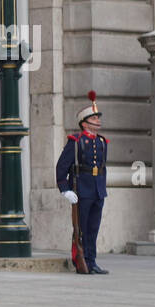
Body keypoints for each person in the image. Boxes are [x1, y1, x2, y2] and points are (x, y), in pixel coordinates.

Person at [57, 90, 109, 275]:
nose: (98, 121)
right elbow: (62, 167)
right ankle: (80, 260)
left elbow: (102, 167)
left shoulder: (102, 142)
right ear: (85, 123)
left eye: (98, 118)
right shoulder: (76, 141)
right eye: (94, 118)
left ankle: (91, 261)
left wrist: (102, 187)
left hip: (97, 190)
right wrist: (65, 190)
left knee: (93, 228)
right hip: (82, 191)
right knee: (81, 229)